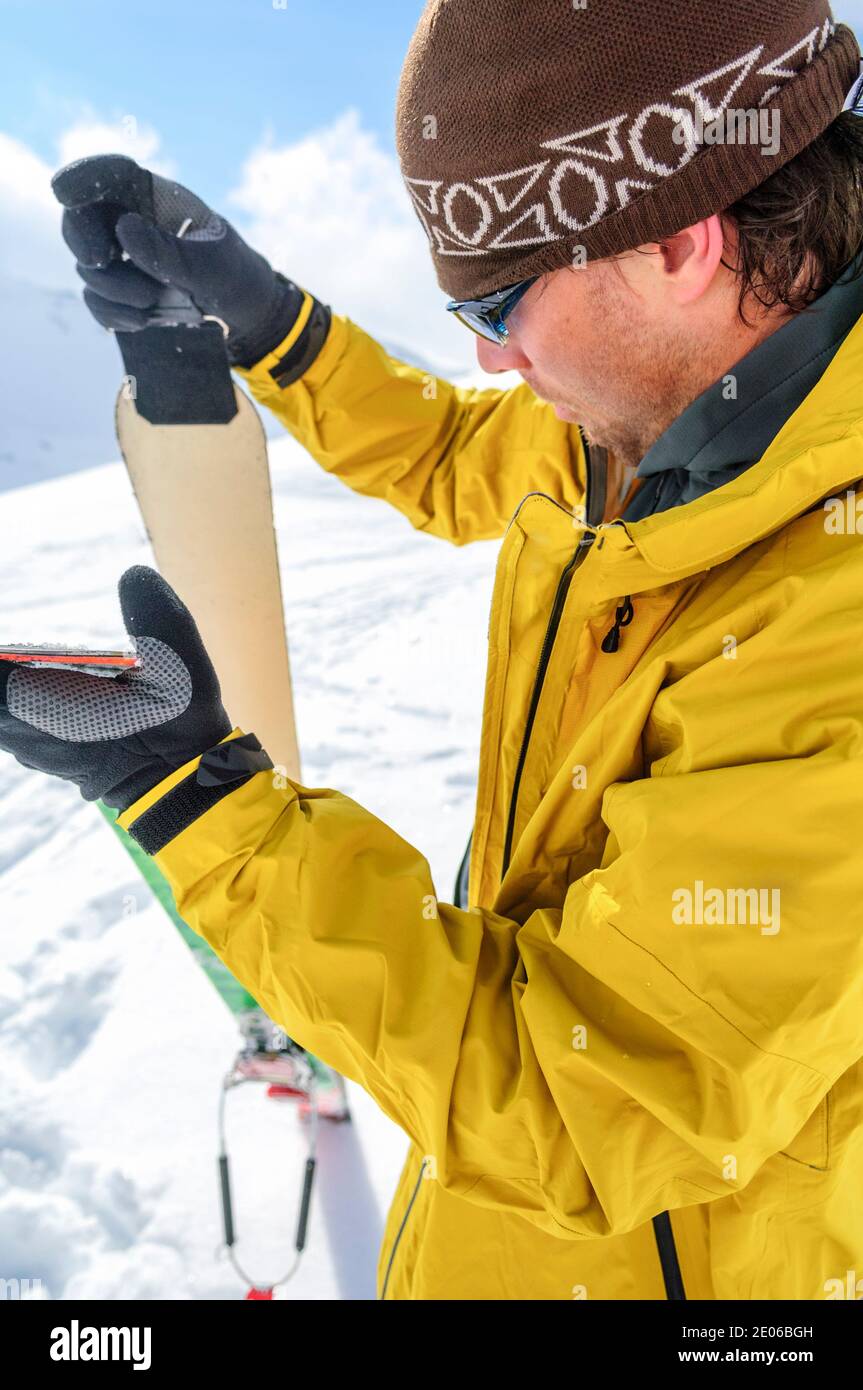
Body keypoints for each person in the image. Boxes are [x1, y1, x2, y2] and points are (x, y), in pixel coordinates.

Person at [5, 0, 863, 1299]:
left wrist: (203, 811)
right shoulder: (681, 398)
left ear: (683, 240)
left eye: (504, 299)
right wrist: (276, 328)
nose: (489, 355)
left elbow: (580, 1095)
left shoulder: (835, 621)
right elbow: (468, 455)